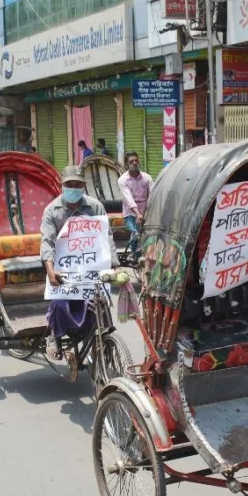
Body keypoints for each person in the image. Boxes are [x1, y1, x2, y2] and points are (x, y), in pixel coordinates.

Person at [41, 166, 119, 362]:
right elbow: (47, 242)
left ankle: (100, 339)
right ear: (62, 186)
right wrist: (51, 271)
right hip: (63, 270)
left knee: (99, 304)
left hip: (90, 268)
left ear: (83, 185)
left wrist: (115, 266)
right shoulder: (52, 211)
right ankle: (55, 335)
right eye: (69, 185)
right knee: (59, 303)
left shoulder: (95, 207)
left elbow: (106, 237)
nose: (73, 188)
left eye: (77, 184)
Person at [117, 151, 153, 260]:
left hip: (146, 210)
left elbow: (153, 194)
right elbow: (129, 199)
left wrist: (148, 211)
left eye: (136, 160)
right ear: (127, 164)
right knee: (135, 232)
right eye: (131, 161)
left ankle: (143, 253)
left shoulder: (147, 178)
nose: (135, 163)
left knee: (148, 234)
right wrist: (137, 214)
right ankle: (134, 252)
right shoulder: (122, 180)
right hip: (130, 212)